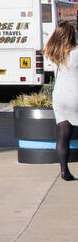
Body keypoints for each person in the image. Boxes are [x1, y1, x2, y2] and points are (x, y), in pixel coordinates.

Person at [45, 21, 78, 181]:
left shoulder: (54, 54)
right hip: (75, 94)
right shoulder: (76, 52)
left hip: (59, 96)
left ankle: (64, 170)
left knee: (64, 134)